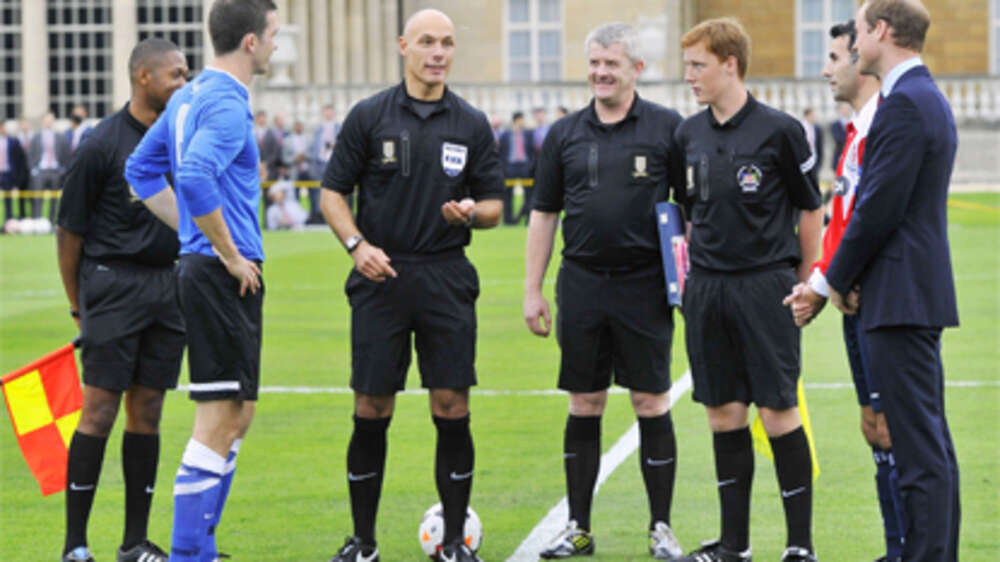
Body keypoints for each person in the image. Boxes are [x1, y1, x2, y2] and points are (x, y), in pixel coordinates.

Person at [319, 9, 503, 562]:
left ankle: (454, 544)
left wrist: (470, 212)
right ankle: (364, 542)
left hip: (446, 275)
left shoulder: (470, 123)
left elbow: (494, 206)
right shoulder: (370, 116)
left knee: (451, 405)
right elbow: (332, 193)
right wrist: (357, 246)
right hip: (382, 276)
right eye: (427, 41)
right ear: (404, 46)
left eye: (446, 42)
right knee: (372, 407)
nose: (438, 52)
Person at [524, 22, 686, 561]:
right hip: (583, 284)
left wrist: (690, 282)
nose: (599, 73)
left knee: (650, 401)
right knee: (584, 401)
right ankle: (578, 528)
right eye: (594, 63)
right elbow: (544, 214)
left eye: (610, 64)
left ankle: (661, 528)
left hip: (645, 285)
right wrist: (532, 290)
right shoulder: (564, 134)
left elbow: (690, 212)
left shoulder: (667, 128)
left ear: (636, 69)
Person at [124, 1, 278, 560]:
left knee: (238, 414)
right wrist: (225, 251)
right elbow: (192, 175)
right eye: (274, 33)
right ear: (251, 42)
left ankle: (202, 547)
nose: (277, 44)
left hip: (213, 269)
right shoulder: (225, 102)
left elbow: (141, 171)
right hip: (219, 274)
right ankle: (190, 554)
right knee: (216, 421)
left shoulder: (189, 96)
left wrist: (196, 232)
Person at [672, 18, 823, 562]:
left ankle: (800, 546)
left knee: (778, 412)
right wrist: (686, 282)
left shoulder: (780, 130)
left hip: (766, 287)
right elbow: (684, 215)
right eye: (688, 65)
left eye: (698, 65)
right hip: (708, 290)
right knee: (723, 414)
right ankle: (734, 546)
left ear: (730, 65)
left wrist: (807, 281)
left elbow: (811, 208)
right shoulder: (686, 135)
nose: (689, 76)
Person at [824, 1, 960, 559]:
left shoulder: (904, 103)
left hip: (900, 298)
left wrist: (833, 281)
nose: (854, 45)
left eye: (858, 32)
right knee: (929, 448)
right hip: (907, 293)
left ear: (881, 31)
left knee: (919, 454)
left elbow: (877, 209)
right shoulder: (920, 96)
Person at [55, 38, 189, 562]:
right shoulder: (102, 143)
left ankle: (134, 543)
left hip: (167, 287)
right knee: (100, 410)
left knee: (148, 411)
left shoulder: (180, 140)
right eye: (175, 75)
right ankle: (75, 545)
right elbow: (69, 232)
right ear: (143, 78)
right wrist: (79, 306)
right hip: (113, 285)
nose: (183, 83)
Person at [782, 20, 905, 562]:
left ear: (862, 60)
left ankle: (908, 549)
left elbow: (876, 221)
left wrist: (827, 284)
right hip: (851, 298)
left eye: (834, 58)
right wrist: (818, 284)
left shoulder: (885, 127)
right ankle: (894, 547)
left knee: (893, 428)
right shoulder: (855, 131)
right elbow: (841, 223)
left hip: (879, 299)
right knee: (873, 426)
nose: (826, 69)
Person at [27, 111, 70, 220]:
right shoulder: (36, 136)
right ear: (43, 121)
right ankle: (37, 222)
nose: (49, 121)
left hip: (55, 171)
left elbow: (65, 155)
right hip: (40, 171)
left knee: (54, 200)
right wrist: (33, 170)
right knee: (37, 199)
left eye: (51, 119)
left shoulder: (59, 136)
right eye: (47, 119)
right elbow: (30, 154)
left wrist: (62, 170)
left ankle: (51, 222)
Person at [497, 111, 535, 225]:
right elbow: (501, 151)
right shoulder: (505, 135)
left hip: (525, 167)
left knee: (528, 194)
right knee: (508, 194)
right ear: (516, 120)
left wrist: (531, 165)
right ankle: (509, 220)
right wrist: (503, 167)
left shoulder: (528, 134)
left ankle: (528, 218)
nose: (523, 122)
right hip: (510, 167)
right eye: (521, 119)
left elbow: (532, 151)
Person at [310, 104, 341, 222]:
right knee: (319, 191)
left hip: (334, 163)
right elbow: (314, 147)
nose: (328, 114)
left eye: (330, 112)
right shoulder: (318, 129)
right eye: (326, 112)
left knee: (335, 190)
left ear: (333, 113)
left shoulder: (340, 127)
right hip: (320, 163)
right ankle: (320, 215)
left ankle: (336, 214)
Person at [0, 123, 29, 225]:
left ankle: (8, 223)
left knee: (8, 200)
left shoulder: (13, 141)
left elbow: (18, 159)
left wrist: (16, 177)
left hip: (7, 174)